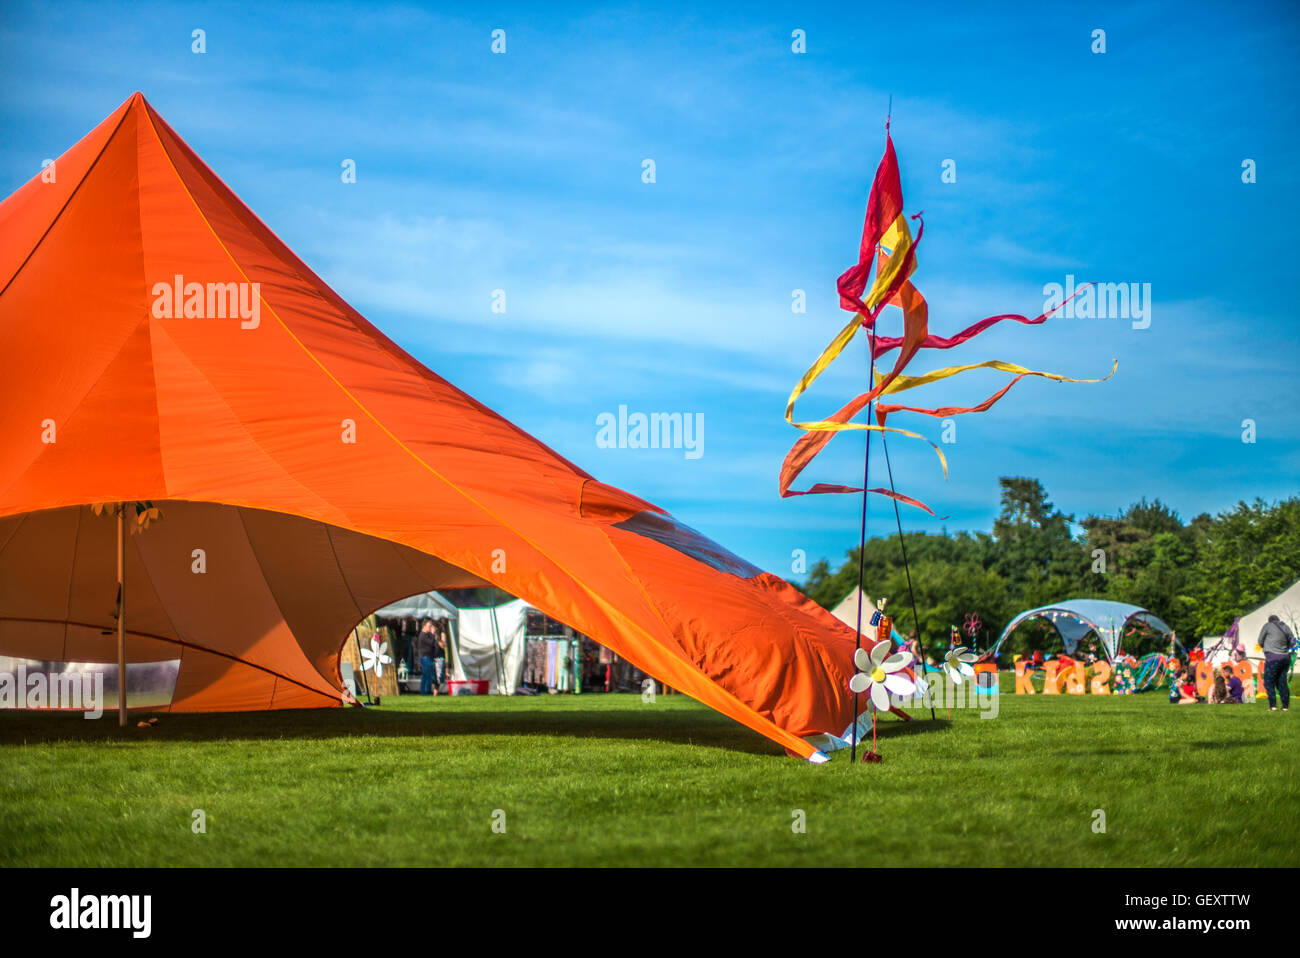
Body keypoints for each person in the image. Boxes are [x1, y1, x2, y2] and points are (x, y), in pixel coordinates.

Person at [1258, 614, 1295, 711]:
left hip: (1272, 658)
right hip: (1285, 658)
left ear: (1269, 620)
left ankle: (1273, 706)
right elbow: (1292, 642)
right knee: (1282, 682)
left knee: (1269, 682)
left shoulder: (1268, 626)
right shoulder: (1285, 626)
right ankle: (1285, 707)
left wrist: (1267, 646)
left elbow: (1260, 641)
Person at [417, 619, 440, 696]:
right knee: (427, 675)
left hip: (428, 657)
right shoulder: (423, 635)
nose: (430, 628)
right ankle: (426, 691)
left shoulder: (427, 635)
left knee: (425, 675)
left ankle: (424, 691)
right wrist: (433, 634)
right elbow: (432, 643)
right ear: (424, 626)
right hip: (425, 657)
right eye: (429, 626)